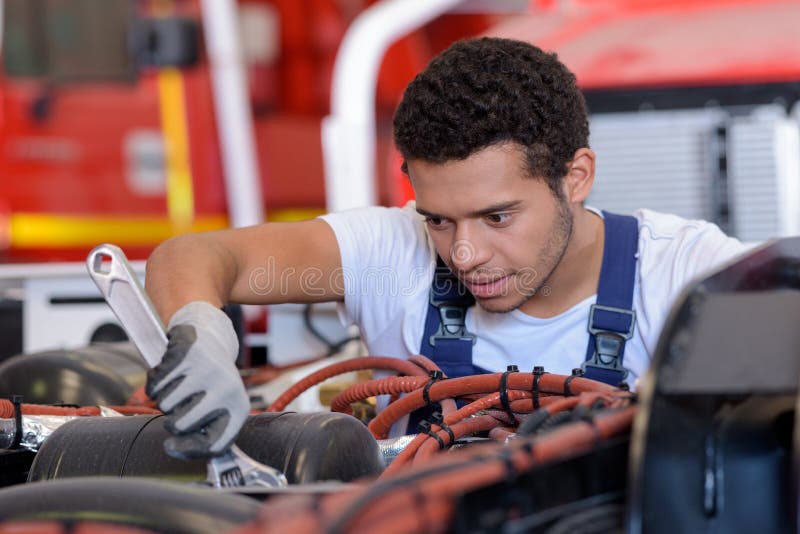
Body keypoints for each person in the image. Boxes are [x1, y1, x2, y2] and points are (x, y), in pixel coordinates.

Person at [143, 37, 751, 458]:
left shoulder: (684, 275)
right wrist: (202, 332)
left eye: (497, 216)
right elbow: (192, 257)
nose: (463, 254)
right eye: (438, 219)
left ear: (576, 177)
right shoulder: (390, 256)